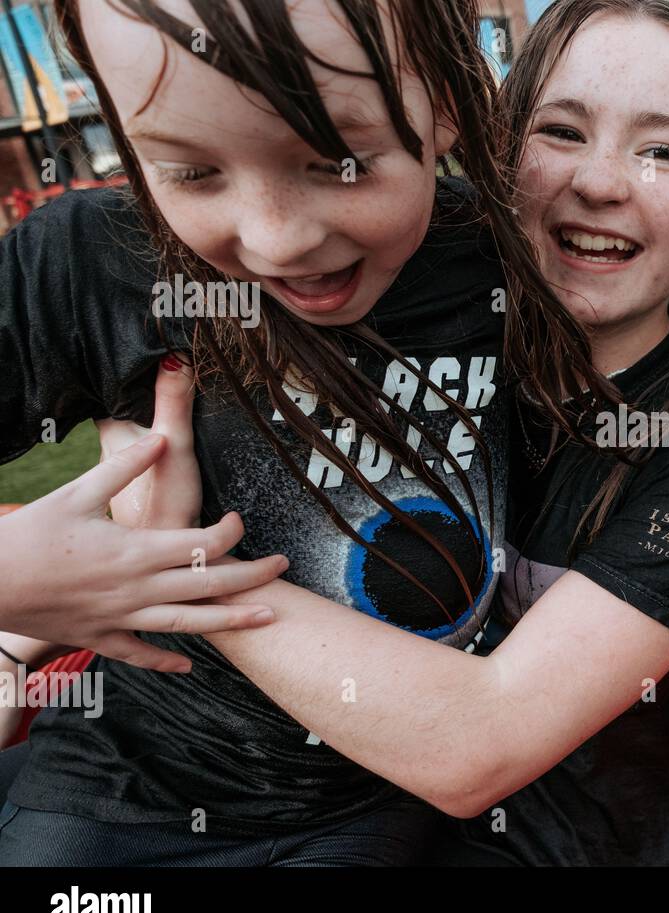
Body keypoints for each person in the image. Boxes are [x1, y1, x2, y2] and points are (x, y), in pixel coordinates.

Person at [12, 0, 669, 866]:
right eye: (563, 132)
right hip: (126, 780)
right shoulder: (397, 259)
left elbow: (477, 742)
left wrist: (177, 568)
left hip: (408, 817)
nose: (280, 241)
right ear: (502, 163)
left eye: (663, 150)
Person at [0, 0, 609, 866]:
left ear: (444, 98)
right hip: (126, 782)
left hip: (378, 787)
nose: (277, 240)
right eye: (191, 171)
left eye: (339, 160)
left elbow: (646, 381)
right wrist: (17, 581)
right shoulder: (93, 261)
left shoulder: (508, 260)